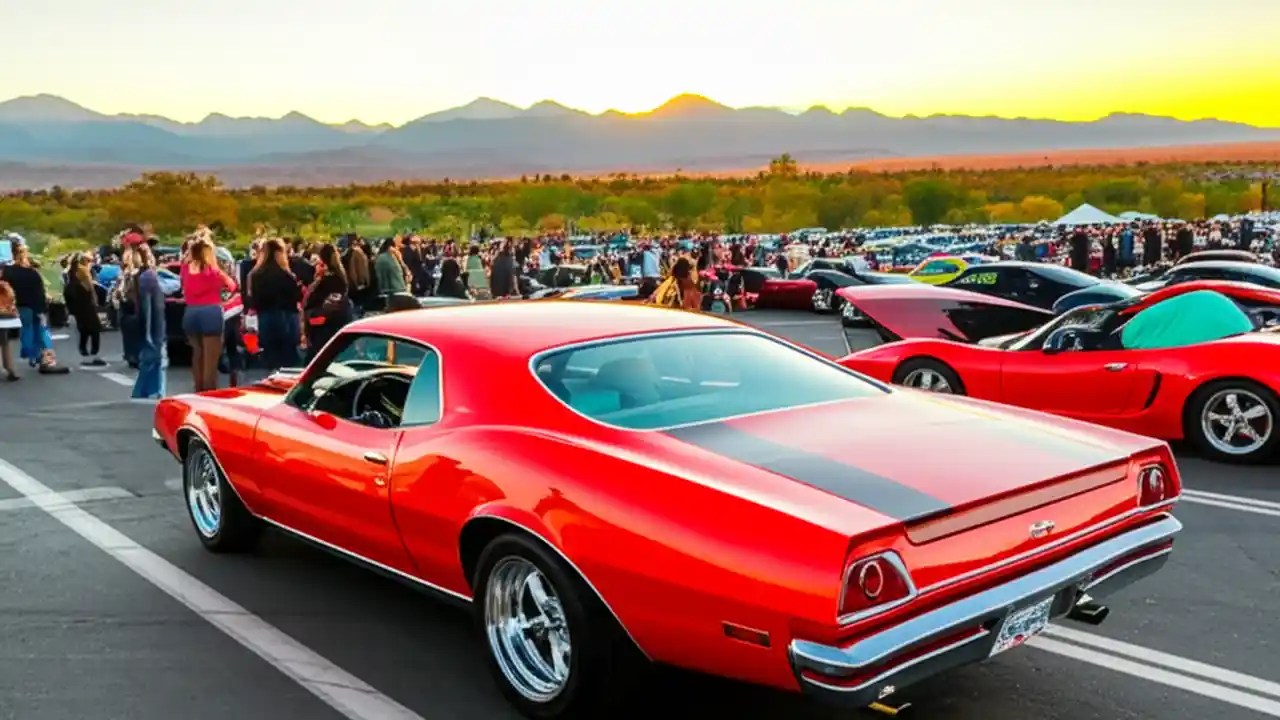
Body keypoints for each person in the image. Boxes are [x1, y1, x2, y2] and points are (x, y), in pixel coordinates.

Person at [180, 229, 236, 392]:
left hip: (191, 312)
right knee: (211, 361)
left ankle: (198, 389)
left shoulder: (185, 269)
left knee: (197, 355)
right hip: (211, 312)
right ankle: (209, 391)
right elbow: (232, 286)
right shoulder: (214, 272)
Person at [247, 238, 302, 372]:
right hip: (286, 317)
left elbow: (253, 298)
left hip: (265, 317)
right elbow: (295, 298)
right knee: (287, 358)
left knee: (270, 356)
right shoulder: (287, 275)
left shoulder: (255, 275)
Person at [302, 243, 352, 360]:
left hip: (322, 325)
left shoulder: (325, 280)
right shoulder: (340, 276)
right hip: (337, 321)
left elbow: (311, 301)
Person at [132, 244, 166, 399]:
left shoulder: (142, 276)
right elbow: (148, 308)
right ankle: (144, 392)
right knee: (152, 360)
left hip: (151, 326)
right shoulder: (149, 277)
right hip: (154, 327)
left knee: (153, 360)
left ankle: (150, 391)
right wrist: (148, 334)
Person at [64, 253, 106, 366]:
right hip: (86, 303)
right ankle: (94, 350)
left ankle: (83, 348)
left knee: (84, 328)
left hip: (78, 306)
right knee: (95, 328)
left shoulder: (70, 274)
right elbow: (89, 287)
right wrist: (94, 297)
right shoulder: (83, 272)